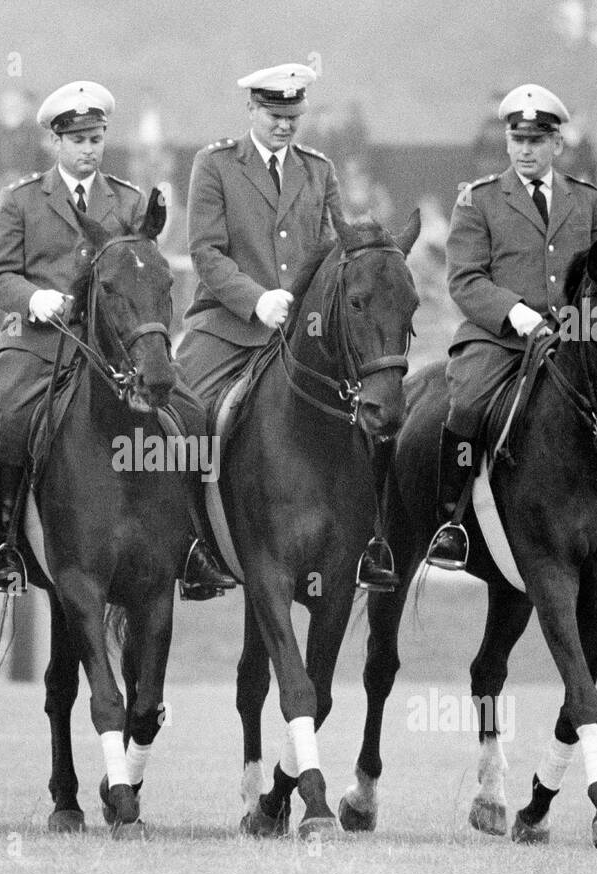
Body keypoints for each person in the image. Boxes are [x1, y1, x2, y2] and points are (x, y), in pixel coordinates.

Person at [0, 80, 235, 597]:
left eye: (96, 138)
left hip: (114, 345)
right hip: (41, 340)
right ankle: (10, 544)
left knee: (191, 417)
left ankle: (190, 541)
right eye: (77, 140)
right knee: (14, 422)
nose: (88, 149)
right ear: (56, 143)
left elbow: (142, 267)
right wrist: (34, 299)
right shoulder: (22, 200)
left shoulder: (126, 198)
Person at [426, 83, 597, 585]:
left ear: (557, 144)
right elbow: (464, 280)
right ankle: (452, 525)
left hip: (576, 334)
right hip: (498, 336)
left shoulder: (587, 199)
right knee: (468, 403)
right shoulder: (478, 200)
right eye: (518, 139)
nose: (526, 150)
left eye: (537, 140)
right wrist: (517, 314)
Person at [174, 62, 398, 589]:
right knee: (183, 417)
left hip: (302, 331)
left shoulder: (319, 170)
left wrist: (307, 307)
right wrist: (255, 301)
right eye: (274, 115)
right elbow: (204, 250)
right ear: (252, 109)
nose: (284, 126)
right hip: (227, 327)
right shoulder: (215, 164)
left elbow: (333, 249)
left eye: (292, 116)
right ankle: (189, 544)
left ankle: (372, 539)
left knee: (372, 409)